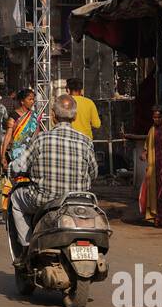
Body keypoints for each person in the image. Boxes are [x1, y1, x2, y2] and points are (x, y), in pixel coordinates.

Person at [9, 93, 98, 257]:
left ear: (54, 116)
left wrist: (11, 169)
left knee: (15, 199)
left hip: (45, 200)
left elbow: (19, 165)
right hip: (78, 201)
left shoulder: (41, 139)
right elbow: (94, 173)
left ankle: (27, 246)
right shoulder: (86, 141)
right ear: (75, 116)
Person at [2, 87, 38, 166]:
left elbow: (36, 134)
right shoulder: (14, 115)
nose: (32, 102)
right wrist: (3, 155)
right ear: (22, 101)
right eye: (30, 99)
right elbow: (8, 135)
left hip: (31, 153)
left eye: (33, 99)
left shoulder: (34, 115)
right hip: (16, 153)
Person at [62, 77, 102, 141]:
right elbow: (97, 124)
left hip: (68, 139)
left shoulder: (63, 102)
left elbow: (55, 123)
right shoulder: (89, 103)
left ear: (68, 90)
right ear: (81, 90)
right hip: (85, 141)